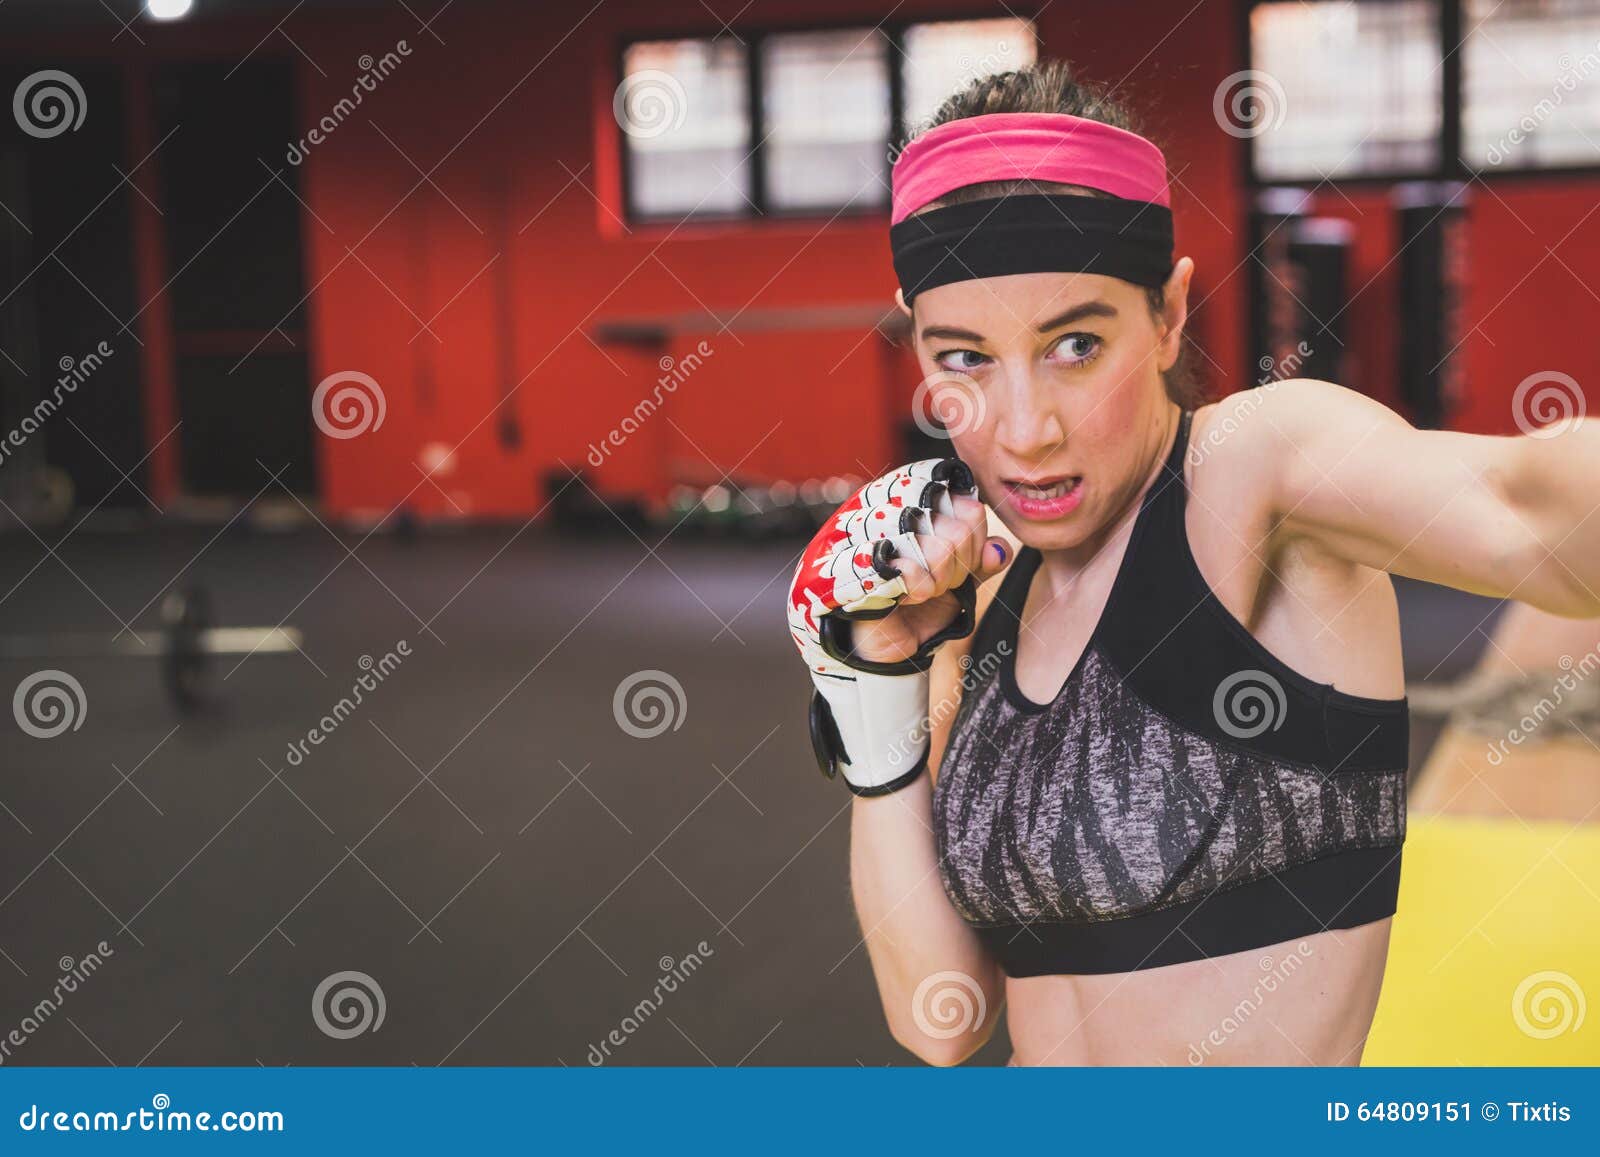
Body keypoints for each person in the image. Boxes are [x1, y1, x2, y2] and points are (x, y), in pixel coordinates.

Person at [785, 61, 1600, 1066]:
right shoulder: (982, 593)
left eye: (1075, 345)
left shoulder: (1252, 472)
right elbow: (940, 1021)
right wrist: (874, 684)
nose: (1026, 430)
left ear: (1168, 315)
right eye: (965, 358)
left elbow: (1528, 506)